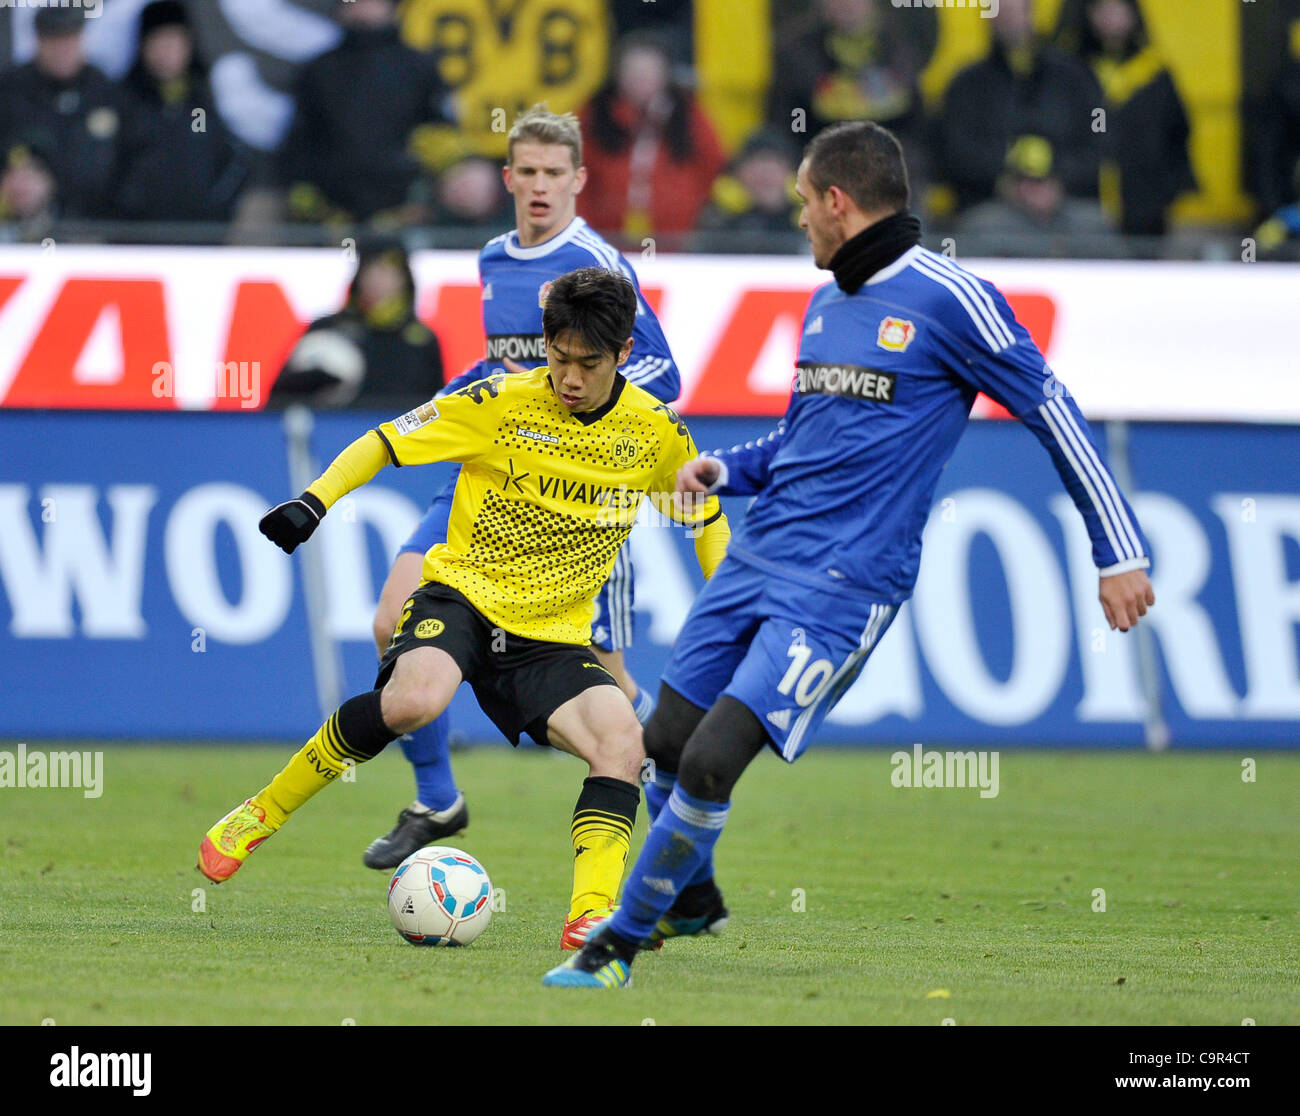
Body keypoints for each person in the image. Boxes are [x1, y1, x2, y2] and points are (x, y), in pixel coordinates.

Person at [545, 120, 1155, 988]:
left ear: (838, 202)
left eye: (803, 202)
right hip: (758, 559)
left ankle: (618, 946)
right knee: (665, 746)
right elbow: (804, 439)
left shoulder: (953, 298)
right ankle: (692, 899)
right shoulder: (828, 302)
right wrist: (727, 469)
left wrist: (1117, 553)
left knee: (716, 760)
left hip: (842, 587)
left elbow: (1051, 412)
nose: (798, 219)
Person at [198, 267, 730, 954]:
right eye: (558, 357)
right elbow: (386, 440)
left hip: (552, 638)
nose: (568, 377)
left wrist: (724, 607)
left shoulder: (655, 433)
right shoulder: (497, 401)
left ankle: (591, 915)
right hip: (463, 601)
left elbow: (707, 518)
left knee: (623, 741)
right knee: (413, 701)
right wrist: (314, 500)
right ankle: (258, 814)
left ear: (625, 354)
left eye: (587, 364)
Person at [361, 110, 683, 941]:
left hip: (572, 501)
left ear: (579, 180)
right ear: (508, 178)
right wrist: (468, 392)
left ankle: (679, 861)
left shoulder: (598, 265)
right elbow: (505, 364)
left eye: (554, 173)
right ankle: (439, 801)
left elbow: (665, 374)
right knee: (390, 622)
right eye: (526, 172)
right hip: (488, 472)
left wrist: (567, 384)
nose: (539, 187)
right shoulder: (494, 260)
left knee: (614, 697)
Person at [280, 0, 457, 225]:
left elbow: (441, 132)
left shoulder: (419, 67)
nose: (362, 7)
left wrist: (428, 195)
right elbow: (299, 140)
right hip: (334, 214)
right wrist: (306, 193)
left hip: (408, 210)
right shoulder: (317, 71)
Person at [939, 0, 1101, 214]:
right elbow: (955, 152)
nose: (1010, 20)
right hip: (989, 203)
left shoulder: (1073, 77)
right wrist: (1005, 183)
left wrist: (1060, 182)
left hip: (1069, 200)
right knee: (982, 233)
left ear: (1032, 14)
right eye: (1002, 12)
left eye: (1017, 11)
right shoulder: (967, 84)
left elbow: (1098, 140)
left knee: (1098, 232)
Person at [1054, 0, 1196, 238]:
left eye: (1118, 8)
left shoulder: (1154, 73)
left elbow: (1178, 135)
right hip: (1079, 206)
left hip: (1146, 206)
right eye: (1100, 8)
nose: (1110, 17)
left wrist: (1166, 192)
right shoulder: (1067, 72)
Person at [578, 33, 726, 240]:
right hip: (605, 240)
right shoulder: (595, 115)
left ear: (665, 74)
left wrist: (690, 207)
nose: (641, 79)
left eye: (649, 71)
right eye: (633, 71)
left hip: (678, 242)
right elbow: (576, 176)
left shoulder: (687, 114)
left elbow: (713, 165)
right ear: (618, 74)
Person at [113, 0, 247, 224]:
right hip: (134, 237)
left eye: (174, 41)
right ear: (143, 46)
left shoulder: (201, 105)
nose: (166, 51)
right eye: (159, 41)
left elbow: (223, 158)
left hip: (195, 237)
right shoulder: (125, 103)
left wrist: (215, 210)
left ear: (188, 45)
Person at [268, 242, 444, 411]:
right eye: (370, 270)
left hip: (400, 438)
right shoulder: (327, 331)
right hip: (337, 435)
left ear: (404, 280)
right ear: (359, 276)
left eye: (387, 272)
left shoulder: (423, 341)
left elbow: (436, 408)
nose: (377, 281)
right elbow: (278, 400)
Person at [0, 7, 121, 220]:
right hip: (23, 227)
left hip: (94, 225)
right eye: (54, 41)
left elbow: (123, 161)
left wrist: (55, 183)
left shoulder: (103, 90)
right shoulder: (12, 90)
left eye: (70, 40)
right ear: (38, 42)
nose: (63, 50)